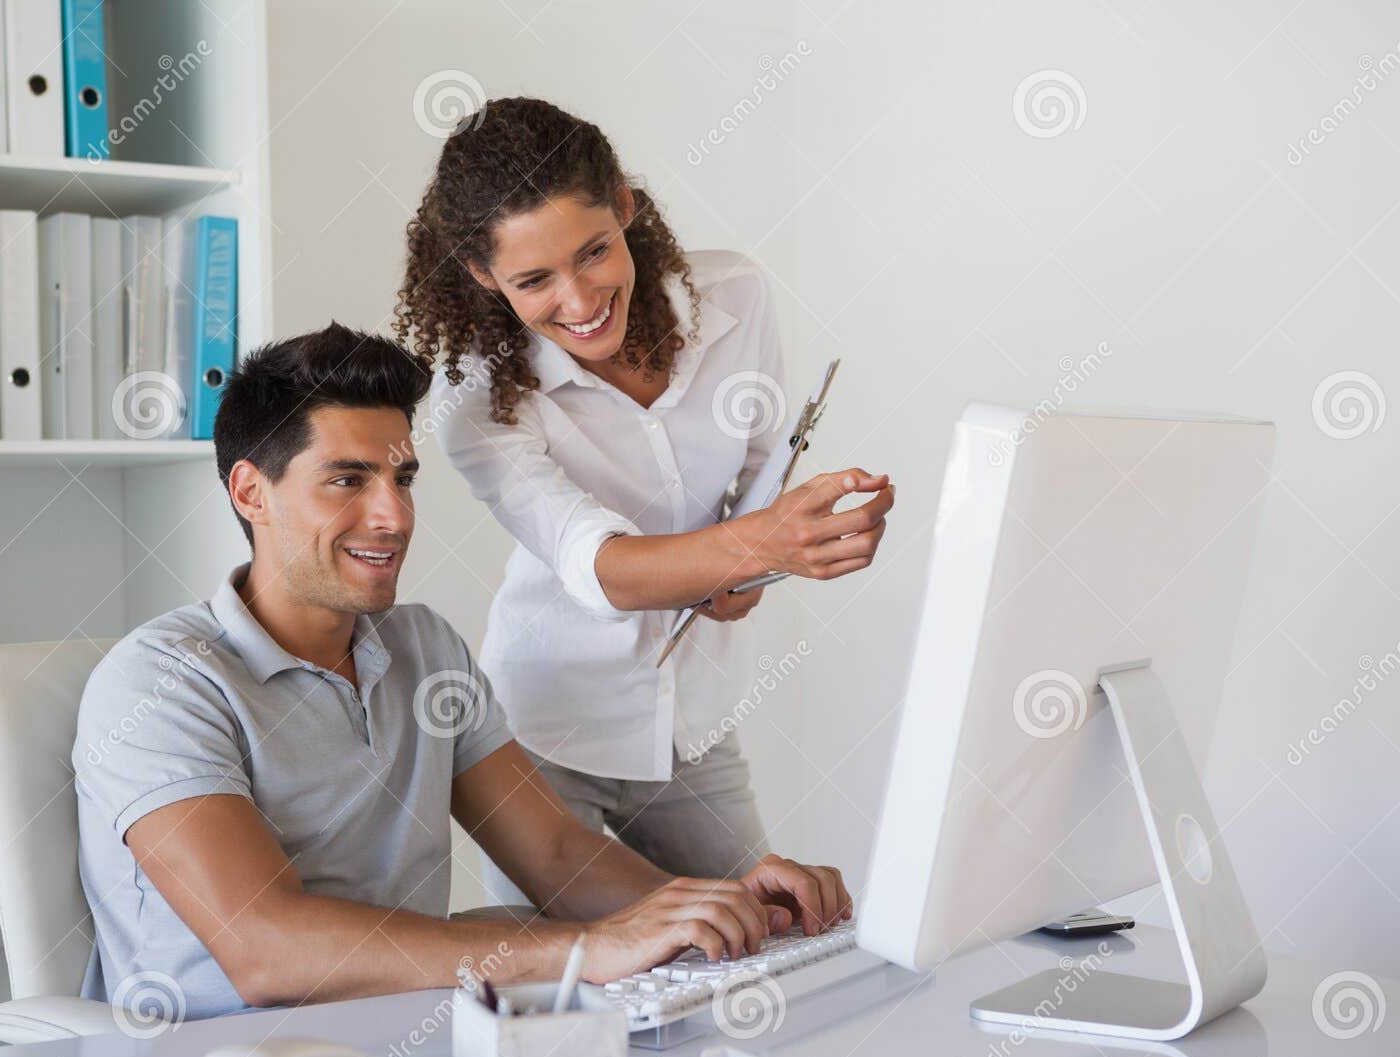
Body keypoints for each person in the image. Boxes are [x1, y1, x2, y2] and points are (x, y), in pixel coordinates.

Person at [71, 319, 852, 1019]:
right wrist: (584, 950)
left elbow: (554, 852)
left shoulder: (422, 650)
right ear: (252, 492)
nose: (393, 515)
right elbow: (266, 948)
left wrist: (720, 902)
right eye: (348, 479)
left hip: (397, 1035)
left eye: (402, 478)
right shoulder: (160, 683)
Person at [395, 97, 892, 896]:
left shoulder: (737, 299)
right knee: (571, 981)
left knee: (769, 924)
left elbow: (761, 471)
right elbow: (595, 563)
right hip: (550, 730)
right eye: (534, 279)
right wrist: (758, 546)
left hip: (689, 720)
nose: (581, 300)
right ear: (485, 276)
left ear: (624, 205)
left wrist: (753, 562)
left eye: (594, 251)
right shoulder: (478, 403)